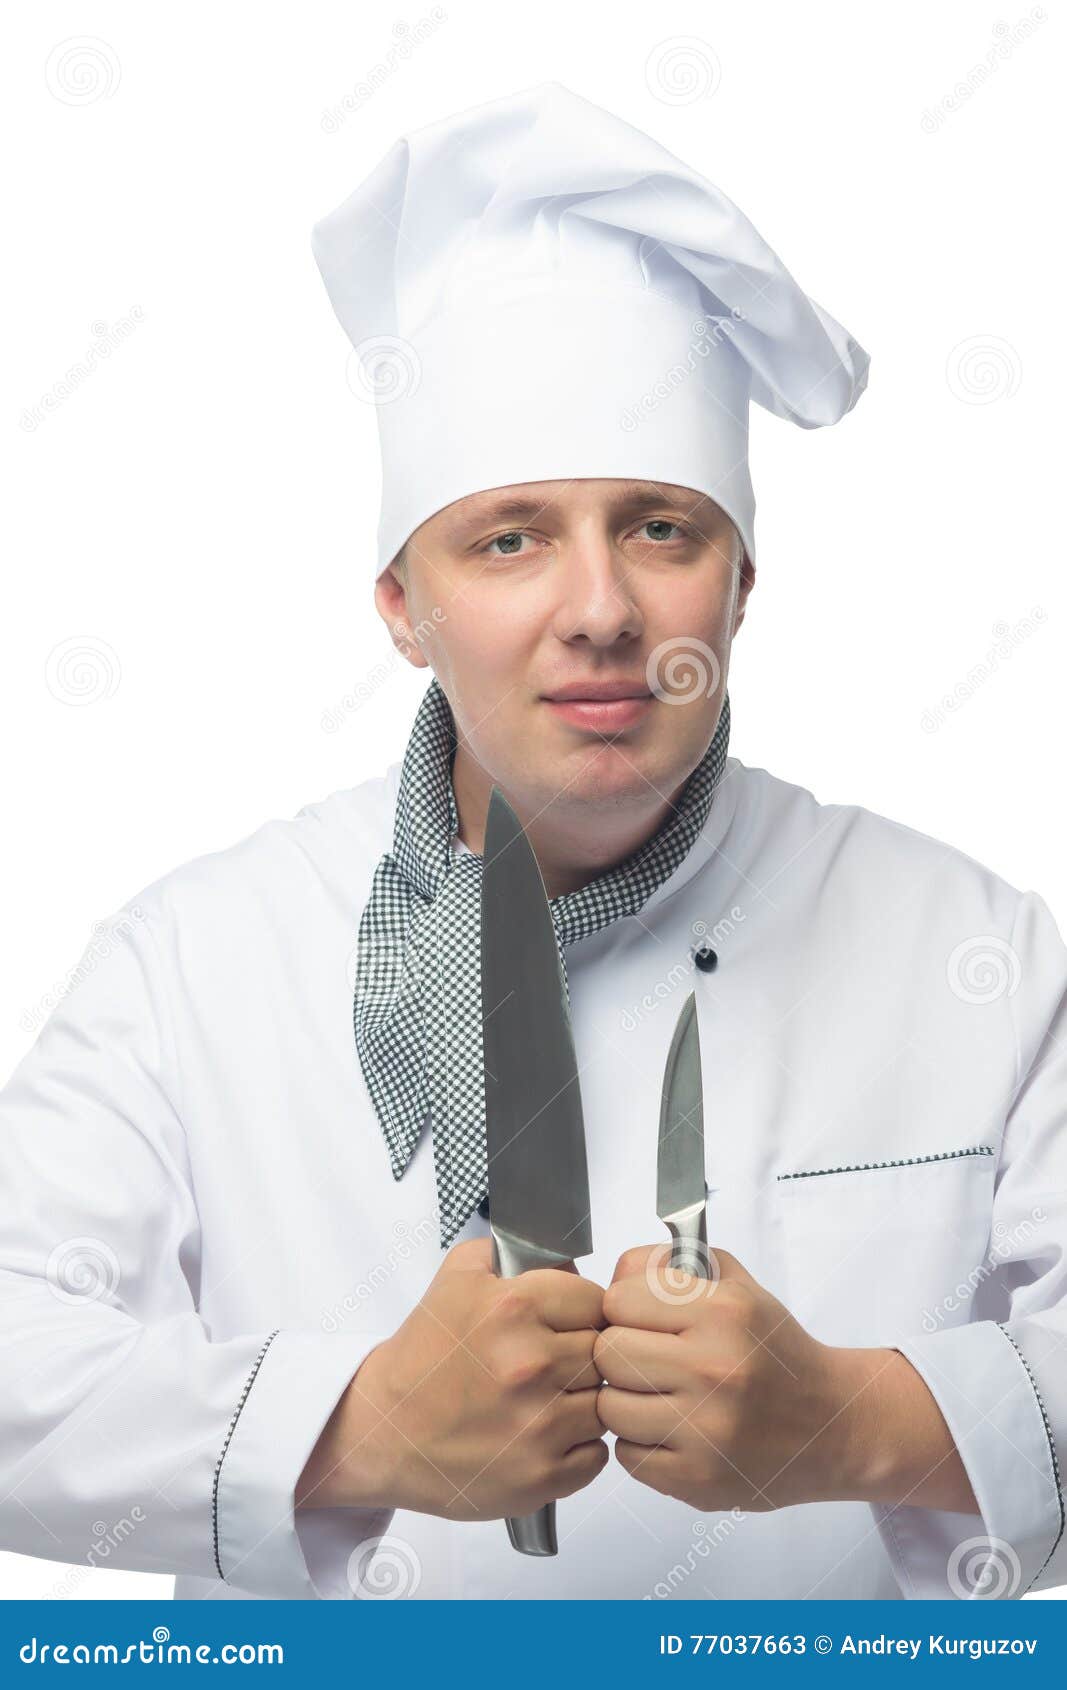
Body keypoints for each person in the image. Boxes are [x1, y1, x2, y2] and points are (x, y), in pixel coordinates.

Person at [1, 81, 1063, 1604]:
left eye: (660, 525)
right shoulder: (194, 962)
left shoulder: (978, 949)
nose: (601, 609)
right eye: (509, 536)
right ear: (401, 606)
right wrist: (345, 1429)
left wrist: (867, 1419)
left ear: (741, 583)